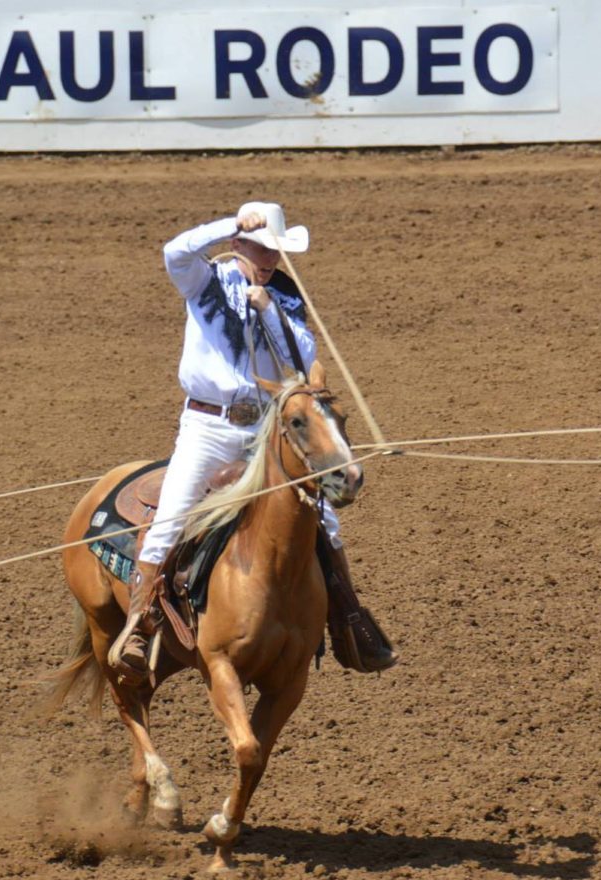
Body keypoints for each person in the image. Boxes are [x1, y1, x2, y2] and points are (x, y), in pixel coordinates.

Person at [107, 201, 397, 682]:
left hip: (265, 429)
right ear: (238, 244)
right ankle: (139, 624)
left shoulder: (283, 296)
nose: (270, 260)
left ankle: (350, 620)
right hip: (208, 426)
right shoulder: (204, 281)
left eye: (276, 252)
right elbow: (174, 251)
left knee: (323, 517)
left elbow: (303, 359)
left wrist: (270, 311)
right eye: (261, 248)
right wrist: (225, 226)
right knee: (172, 517)